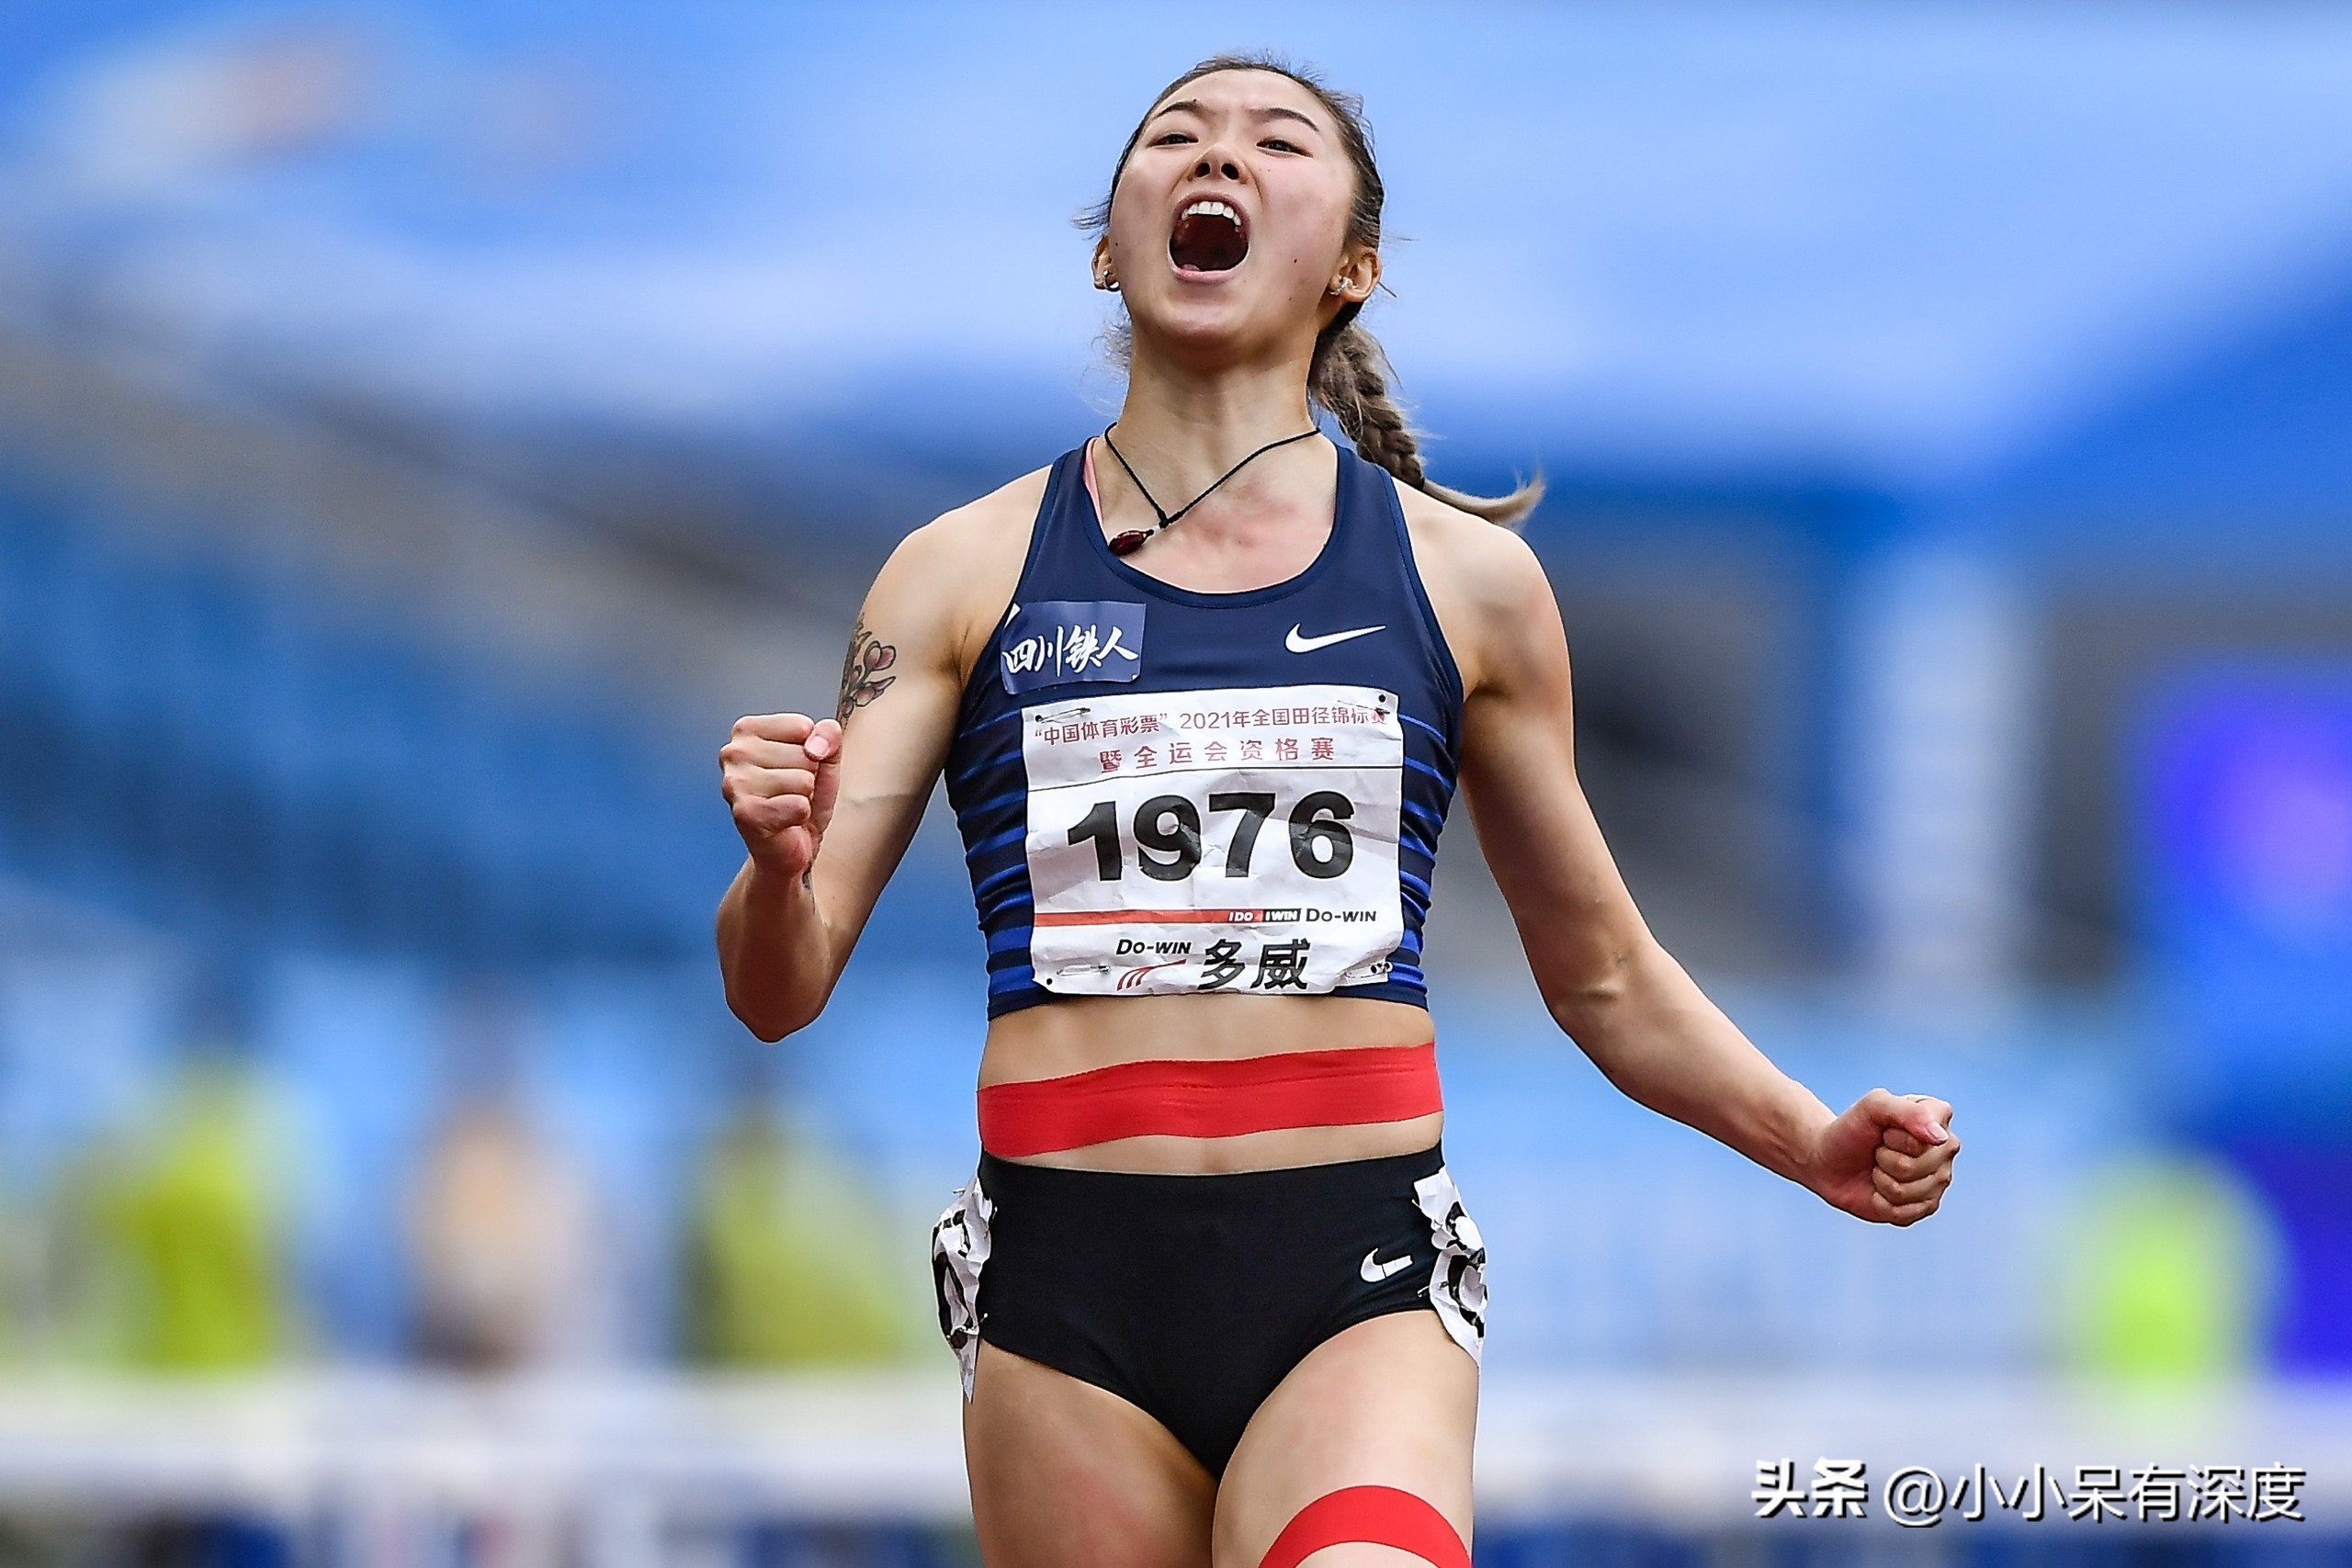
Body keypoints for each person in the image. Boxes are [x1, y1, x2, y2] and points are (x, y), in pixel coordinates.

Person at [716, 53, 1961, 1568]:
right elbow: (779, 987)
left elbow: (1606, 976)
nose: (1215, 157)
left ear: (1352, 270)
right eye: (1176, 136)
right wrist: (775, 867)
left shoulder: (1468, 585)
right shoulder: (956, 574)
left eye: (1276, 142)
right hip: (1065, 1299)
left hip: (1353, 1275)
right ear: (1108, 249)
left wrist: (1809, 1136)